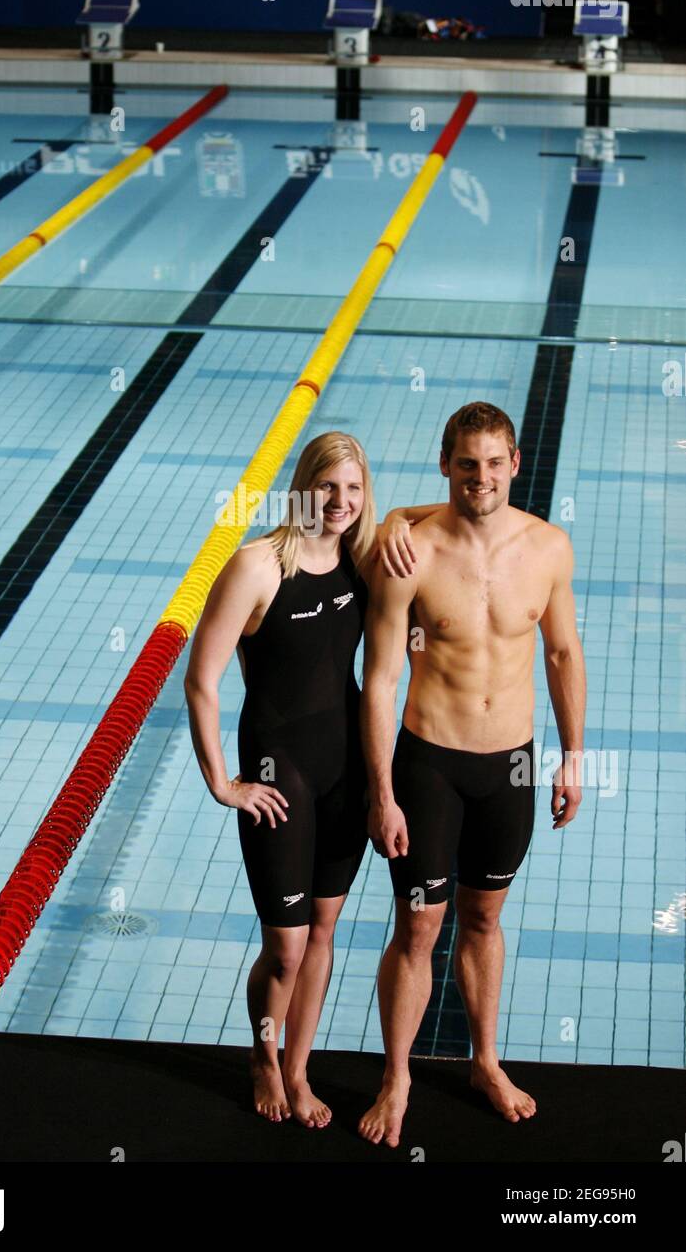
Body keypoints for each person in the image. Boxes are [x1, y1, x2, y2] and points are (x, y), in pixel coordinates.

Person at [184, 431, 434, 1127]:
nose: (340, 502)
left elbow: (431, 516)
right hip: (278, 772)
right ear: (303, 487)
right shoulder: (257, 566)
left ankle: (297, 1071)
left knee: (323, 930)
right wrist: (220, 782)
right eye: (328, 488)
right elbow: (199, 682)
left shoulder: (359, 557)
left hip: (346, 766)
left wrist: (383, 517)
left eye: (354, 491)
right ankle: (264, 1057)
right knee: (286, 948)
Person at [359, 401, 586, 1147]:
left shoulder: (548, 548)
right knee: (418, 926)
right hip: (430, 763)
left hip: (510, 764)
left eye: (494, 462)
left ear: (515, 464)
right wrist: (383, 790)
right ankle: (397, 1075)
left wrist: (571, 756)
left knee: (485, 919)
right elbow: (381, 677)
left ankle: (485, 1061)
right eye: (466, 463)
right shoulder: (410, 554)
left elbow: (560, 654)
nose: (480, 477)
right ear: (444, 466)